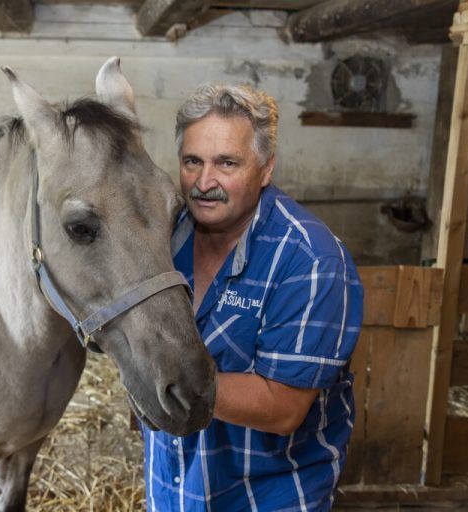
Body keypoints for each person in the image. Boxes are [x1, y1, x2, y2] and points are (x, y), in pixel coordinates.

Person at [141, 83, 363, 511]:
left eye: (227, 163)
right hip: (172, 490)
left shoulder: (311, 260)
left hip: (265, 498)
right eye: (192, 161)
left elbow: (282, 407)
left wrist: (158, 382)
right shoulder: (163, 240)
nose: (205, 182)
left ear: (266, 169)